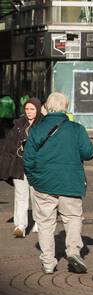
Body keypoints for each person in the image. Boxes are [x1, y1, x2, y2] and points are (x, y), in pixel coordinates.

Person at [23, 90, 93, 275]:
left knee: (46, 223)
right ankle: (73, 251)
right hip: (70, 182)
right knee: (72, 218)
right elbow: (89, 153)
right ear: (66, 108)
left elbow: (28, 159)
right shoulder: (76, 129)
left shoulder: (37, 128)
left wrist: (33, 180)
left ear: (46, 107)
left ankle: (48, 262)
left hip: (43, 183)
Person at [0, 97, 41, 236]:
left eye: (32, 109)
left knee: (37, 196)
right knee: (20, 196)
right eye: (27, 109)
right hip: (19, 166)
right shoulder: (18, 125)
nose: (29, 112)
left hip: (37, 168)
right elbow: (9, 146)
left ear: (38, 110)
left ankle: (39, 222)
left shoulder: (42, 125)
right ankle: (20, 225)